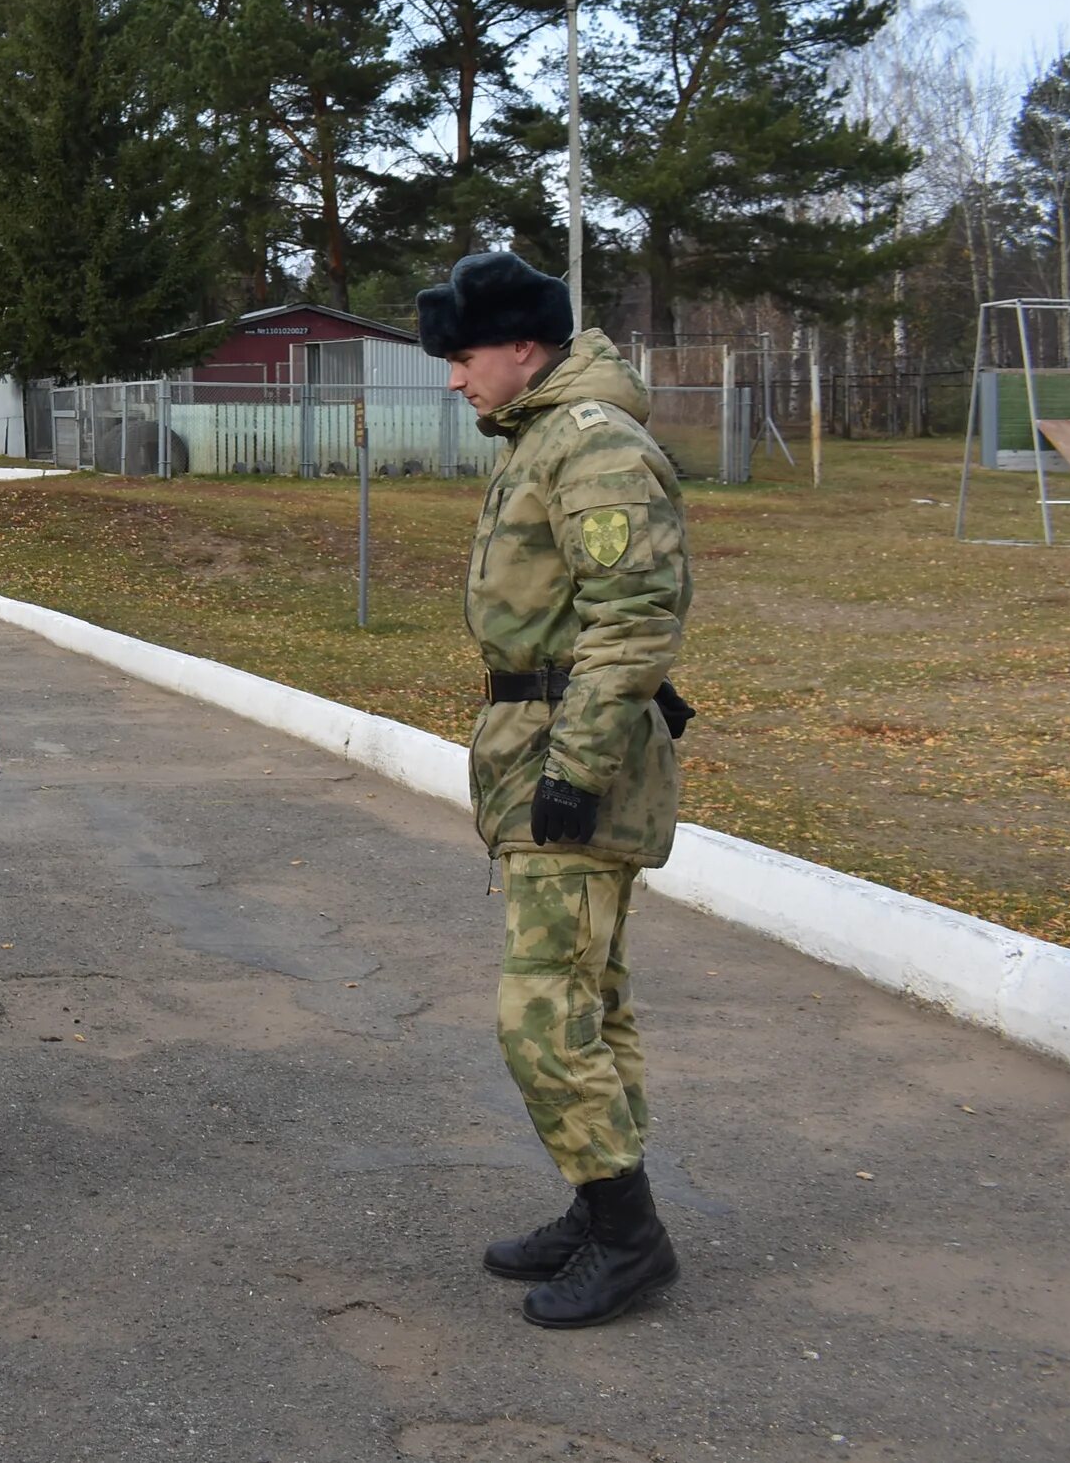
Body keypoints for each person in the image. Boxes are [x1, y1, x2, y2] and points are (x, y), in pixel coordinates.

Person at [423, 250, 690, 1330]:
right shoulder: (540, 434)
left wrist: (573, 771)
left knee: (540, 1012)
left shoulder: (592, 444)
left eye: (464, 354)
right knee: (591, 996)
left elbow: (633, 619)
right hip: (544, 739)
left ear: (523, 348)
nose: (454, 378)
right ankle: (600, 1206)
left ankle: (631, 1241)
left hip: (579, 757)